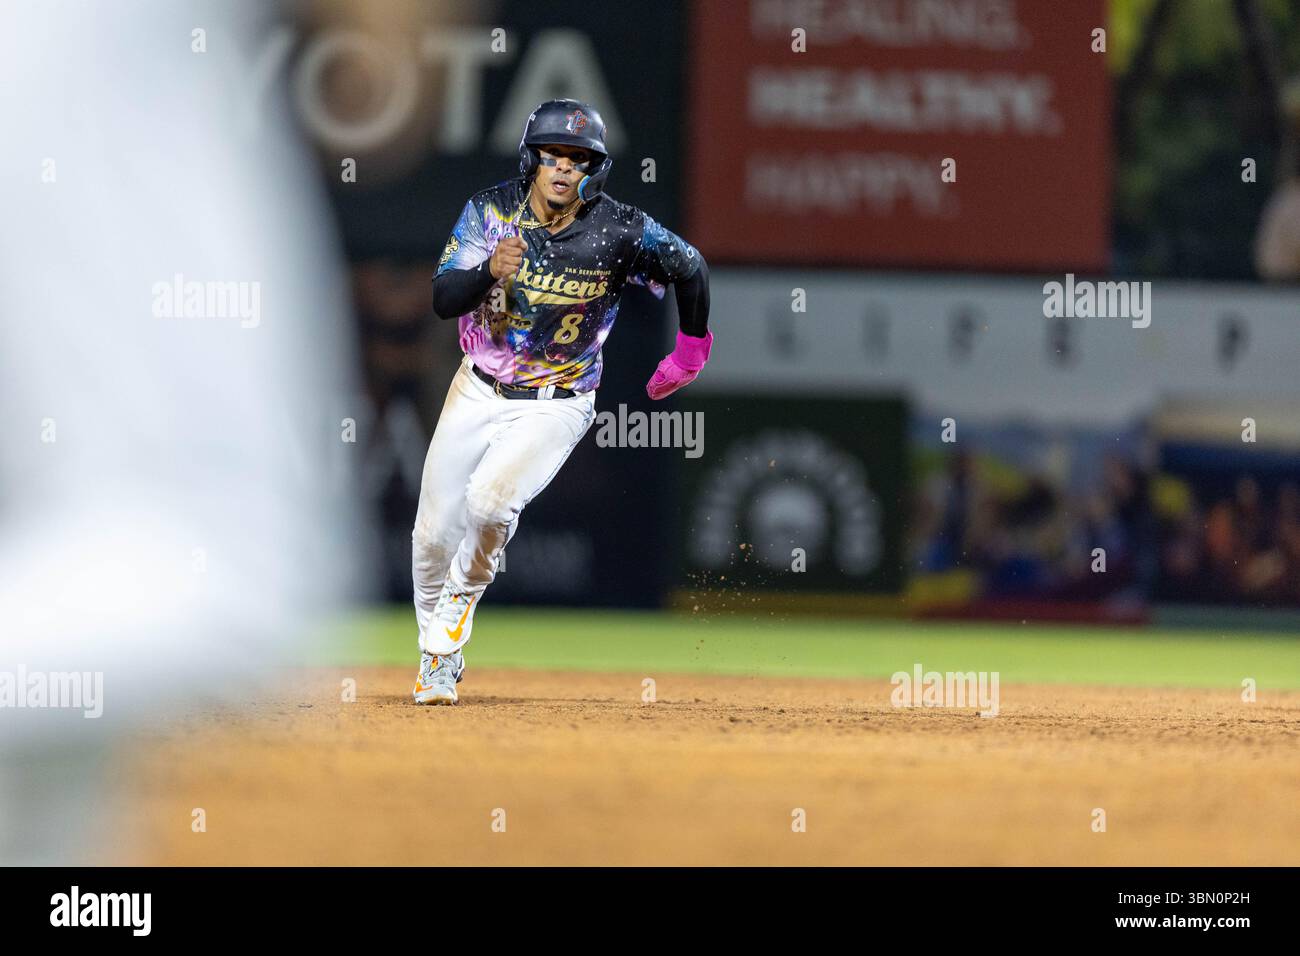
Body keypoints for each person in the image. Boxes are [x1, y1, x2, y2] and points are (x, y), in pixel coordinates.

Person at [412, 99, 712, 704]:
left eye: (577, 159)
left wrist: (691, 349)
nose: (562, 169)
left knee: (491, 504)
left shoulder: (619, 230)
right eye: (552, 155)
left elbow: (689, 265)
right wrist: (488, 272)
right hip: (475, 386)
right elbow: (445, 298)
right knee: (431, 537)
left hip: (557, 399)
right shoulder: (491, 211)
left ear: (593, 170)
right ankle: (436, 652)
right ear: (533, 159)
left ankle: (451, 629)